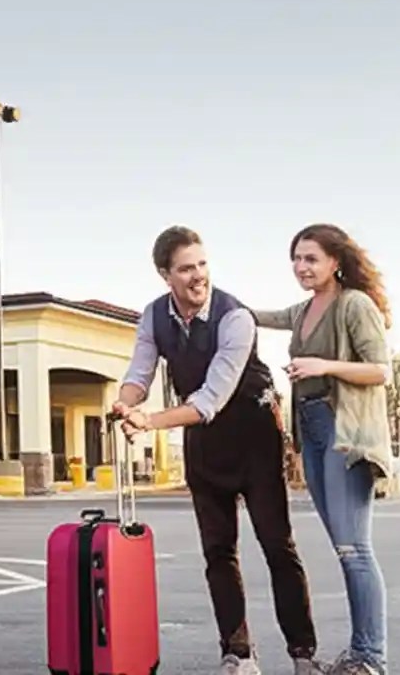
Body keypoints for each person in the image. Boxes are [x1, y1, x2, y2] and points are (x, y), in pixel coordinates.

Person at [113, 226, 324, 675]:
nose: (198, 276)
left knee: (276, 546)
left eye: (203, 265)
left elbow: (211, 398)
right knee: (218, 551)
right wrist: (124, 404)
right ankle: (238, 653)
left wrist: (149, 422)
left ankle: (302, 655)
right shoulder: (152, 317)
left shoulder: (235, 317)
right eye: (186, 268)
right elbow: (140, 373)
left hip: (253, 435)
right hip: (204, 442)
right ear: (164, 275)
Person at [252, 224, 395, 675]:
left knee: (355, 548)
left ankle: (370, 657)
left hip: (344, 430)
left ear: (336, 261)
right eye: (296, 258)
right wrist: (216, 302)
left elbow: (381, 370)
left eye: (311, 258)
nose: (301, 267)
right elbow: (263, 315)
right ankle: (358, 653)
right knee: (342, 547)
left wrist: (322, 365)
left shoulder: (354, 304)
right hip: (311, 430)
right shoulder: (303, 310)